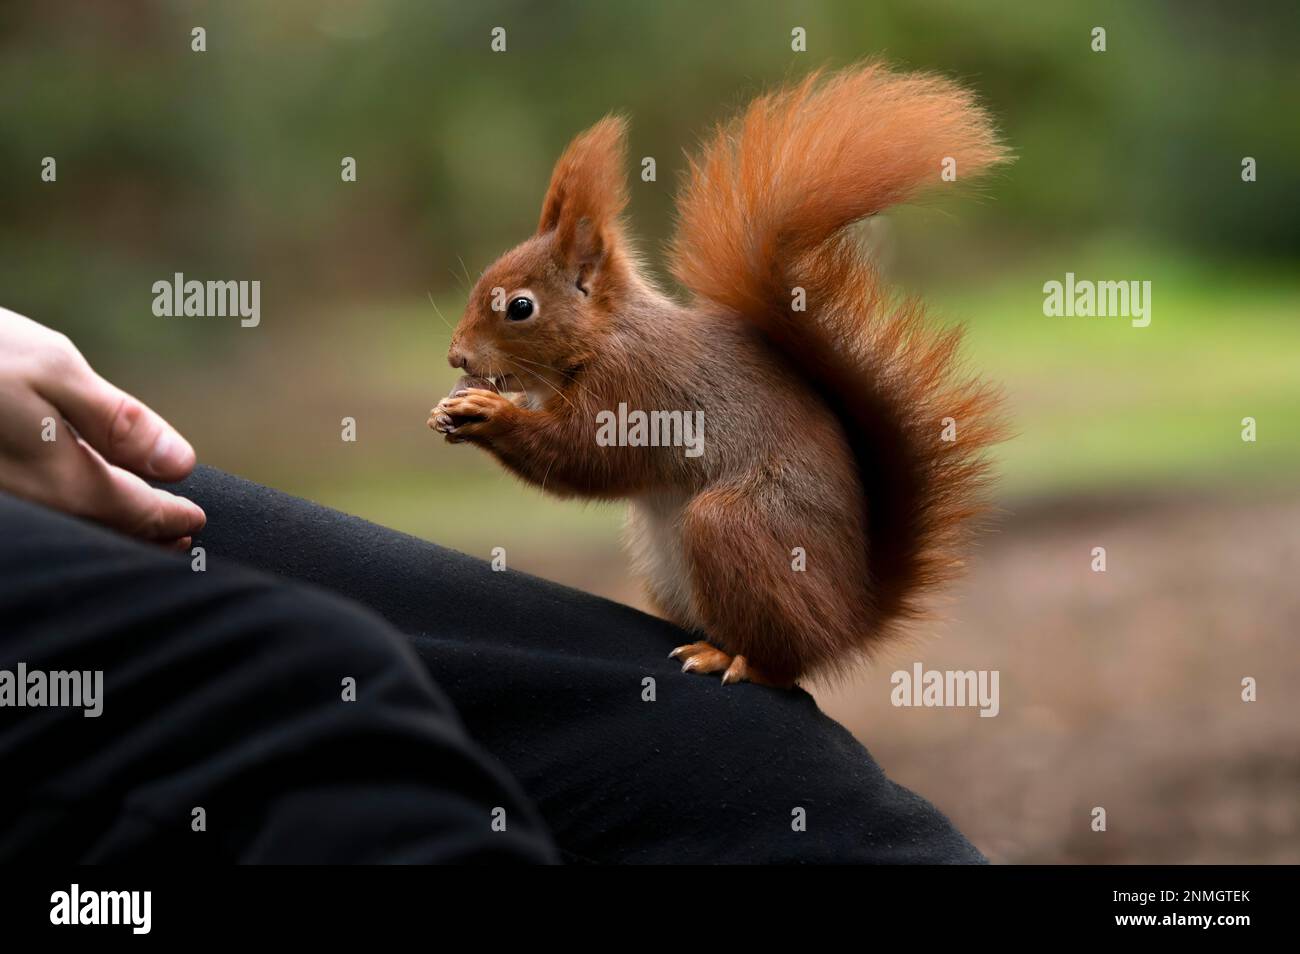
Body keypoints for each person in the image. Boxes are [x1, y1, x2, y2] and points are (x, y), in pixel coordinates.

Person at [0, 306, 984, 864]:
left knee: (755, 757)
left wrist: (515, 428)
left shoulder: (634, 364)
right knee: (321, 690)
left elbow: (597, 463)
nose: (466, 343)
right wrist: (515, 427)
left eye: (508, 314)